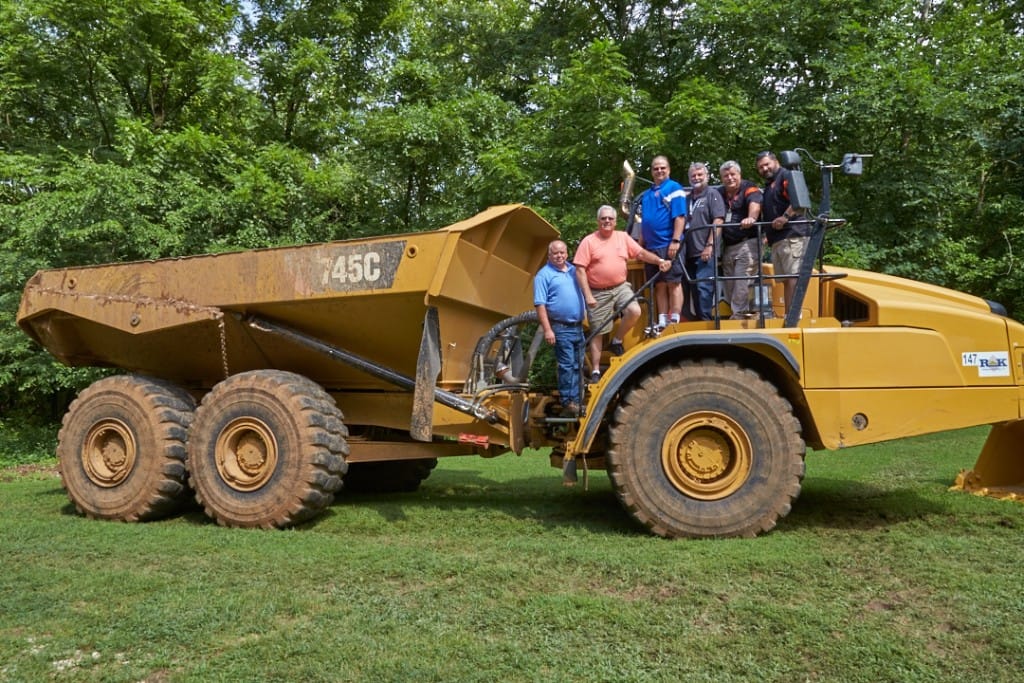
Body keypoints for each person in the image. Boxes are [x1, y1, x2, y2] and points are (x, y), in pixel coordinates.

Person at [574, 205, 671, 381]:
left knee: (635, 311)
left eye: (610, 218)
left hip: (620, 287)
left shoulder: (622, 237)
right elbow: (580, 270)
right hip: (598, 291)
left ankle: (617, 341)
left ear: (615, 221)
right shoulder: (589, 241)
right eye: (603, 218)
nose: (607, 221)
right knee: (598, 330)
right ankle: (595, 370)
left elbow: (640, 252)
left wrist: (659, 260)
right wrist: (588, 295)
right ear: (598, 221)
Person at [534, 240, 586, 416]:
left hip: (578, 326)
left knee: (578, 365)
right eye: (555, 253)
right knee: (566, 365)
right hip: (560, 327)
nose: (559, 256)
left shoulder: (574, 271)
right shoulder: (544, 275)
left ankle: (578, 399)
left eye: (562, 252)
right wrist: (548, 330)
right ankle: (568, 401)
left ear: (566, 253)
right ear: (549, 255)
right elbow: (540, 305)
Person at [638, 155, 687, 330]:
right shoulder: (647, 194)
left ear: (669, 169)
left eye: (662, 168)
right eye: (656, 168)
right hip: (651, 247)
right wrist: (640, 245)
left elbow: (680, 217)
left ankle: (674, 319)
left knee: (673, 282)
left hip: (669, 243)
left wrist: (675, 240)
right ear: (651, 171)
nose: (659, 171)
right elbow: (645, 221)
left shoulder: (675, 188)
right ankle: (662, 320)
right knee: (658, 284)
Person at [756, 150, 807, 315]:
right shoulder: (769, 185)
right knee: (785, 279)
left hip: (793, 234)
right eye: (761, 167)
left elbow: (800, 201)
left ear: (775, 161)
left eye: (766, 164)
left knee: (793, 276)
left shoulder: (788, 176)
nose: (764, 169)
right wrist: (765, 235)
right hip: (777, 238)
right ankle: (789, 314)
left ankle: (794, 315)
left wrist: (785, 217)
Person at [718, 160, 763, 318]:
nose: (730, 178)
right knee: (730, 284)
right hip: (728, 246)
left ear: (739, 175)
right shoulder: (720, 193)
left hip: (747, 243)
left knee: (741, 281)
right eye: (726, 176)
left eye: (732, 174)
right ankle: (736, 312)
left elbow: (755, 204)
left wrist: (751, 218)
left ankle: (740, 316)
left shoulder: (749, 188)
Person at [682, 162, 725, 320]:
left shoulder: (712, 194)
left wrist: (710, 245)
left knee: (704, 288)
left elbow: (718, 221)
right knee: (693, 289)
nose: (696, 178)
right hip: (688, 253)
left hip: (706, 251)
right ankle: (697, 320)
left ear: (706, 176)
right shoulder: (686, 199)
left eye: (700, 175)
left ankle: (706, 321)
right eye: (693, 175)